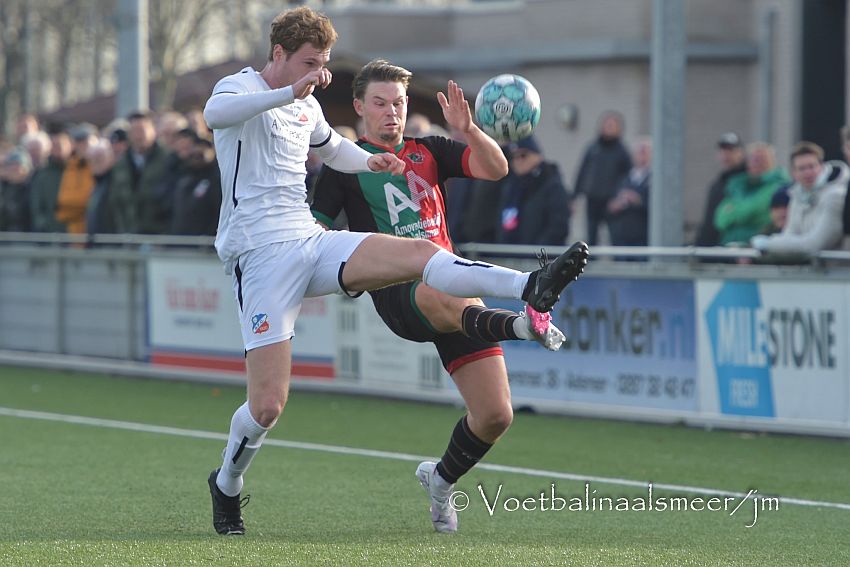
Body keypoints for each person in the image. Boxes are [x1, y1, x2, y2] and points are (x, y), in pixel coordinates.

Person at [202, 7, 589, 537]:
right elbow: (215, 116)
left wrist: (370, 162)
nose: (319, 74)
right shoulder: (240, 88)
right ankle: (225, 484)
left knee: (418, 256)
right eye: (310, 63)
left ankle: (529, 287)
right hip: (260, 257)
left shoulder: (311, 105)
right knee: (267, 407)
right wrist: (287, 93)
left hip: (309, 242)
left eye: (325, 63)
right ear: (278, 55)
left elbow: (333, 148)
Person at [311, 59, 579, 533]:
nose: (390, 112)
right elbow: (317, 233)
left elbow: (495, 169)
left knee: (495, 415)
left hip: (455, 292)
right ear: (358, 106)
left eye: (398, 103)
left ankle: (439, 480)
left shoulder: (429, 149)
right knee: (438, 285)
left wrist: (470, 129)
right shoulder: (344, 165)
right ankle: (523, 319)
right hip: (398, 294)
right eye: (379, 103)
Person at [751, 142, 849, 256]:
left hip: (837, 270)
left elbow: (814, 245)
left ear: (822, 166)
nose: (808, 172)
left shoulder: (836, 196)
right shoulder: (796, 195)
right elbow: (789, 235)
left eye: (811, 166)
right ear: (794, 173)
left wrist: (769, 243)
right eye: (802, 168)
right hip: (809, 270)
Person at [496, 135, 570, 245]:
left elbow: (558, 226)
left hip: (541, 258)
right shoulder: (511, 187)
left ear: (537, 156)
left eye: (523, 155)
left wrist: (537, 252)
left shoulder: (552, 185)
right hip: (511, 257)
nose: (518, 161)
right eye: (513, 157)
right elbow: (504, 222)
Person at [713, 142, 789, 246]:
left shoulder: (779, 186)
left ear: (772, 162)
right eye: (752, 159)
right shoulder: (737, 186)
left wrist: (734, 209)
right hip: (729, 250)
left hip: (758, 251)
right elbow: (721, 220)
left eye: (761, 159)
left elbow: (752, 210)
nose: (756, 162)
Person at [573, 110, 632, 245]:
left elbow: (628, 178)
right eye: (607, 124)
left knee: (616, 238)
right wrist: (574, 196)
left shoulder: (622, 152)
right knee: (590, 238)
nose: (609, 128)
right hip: (593, 200)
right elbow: (582, 172)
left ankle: (618, 265)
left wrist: (619, 198)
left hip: (612, 203)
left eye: (612, 125)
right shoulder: (593, 148)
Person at [108, 111, 171, 233]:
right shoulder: (121, 164)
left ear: (154, 130)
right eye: (134, 130)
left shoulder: (167, 160)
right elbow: (115, 201)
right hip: (129, 235)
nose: (139, 135)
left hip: (160, 235)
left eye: (142, 130)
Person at [694, 133, 747, 247]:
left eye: (731, 150)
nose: (726, 155)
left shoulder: (747, 182)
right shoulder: (718, 183)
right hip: (713, 245)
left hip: (731, 246)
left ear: (741, 153)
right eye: (723, 151)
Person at [606, 136, 651, 249]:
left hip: (643, 237)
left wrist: (638, 200)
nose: (641, 156)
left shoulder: (655, 179)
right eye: (639, 152)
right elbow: (610, 206)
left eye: (644, 152)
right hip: (622, 236)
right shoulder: (624, 179)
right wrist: (615, 205)